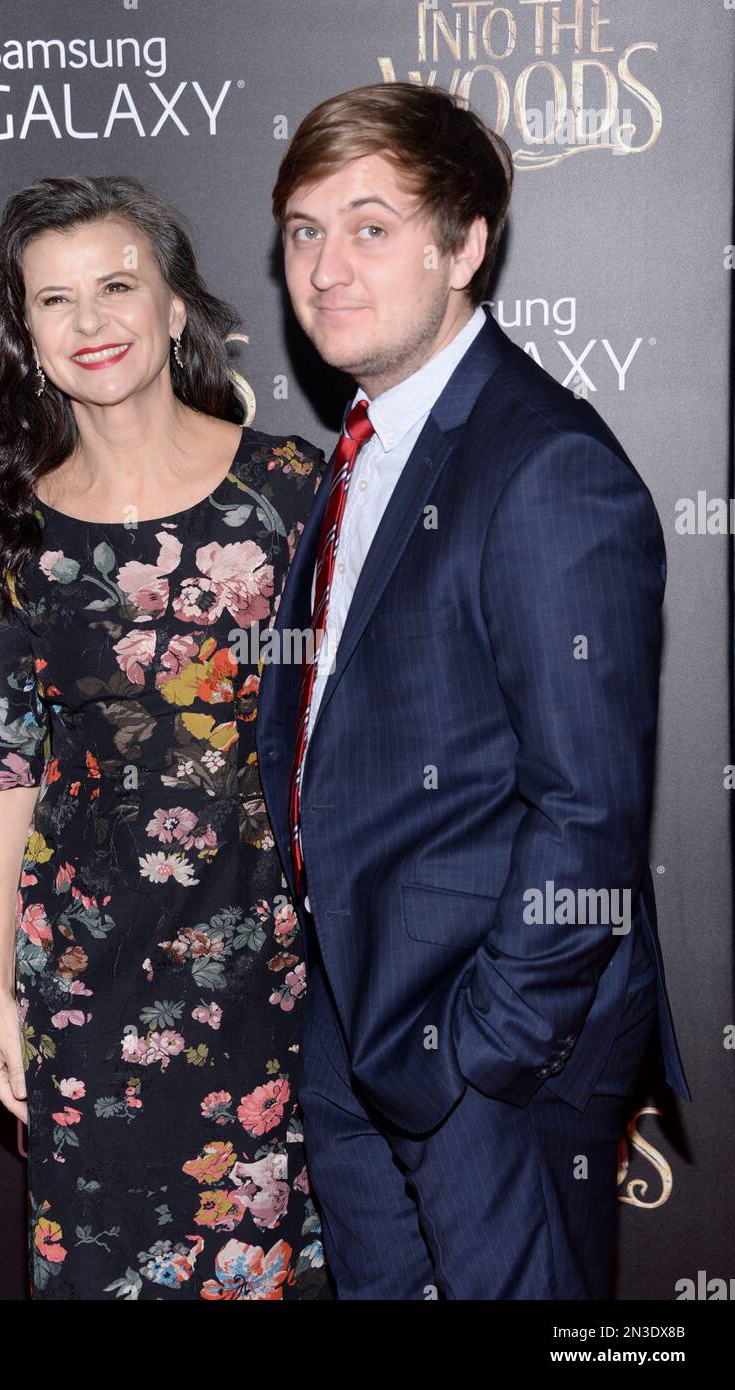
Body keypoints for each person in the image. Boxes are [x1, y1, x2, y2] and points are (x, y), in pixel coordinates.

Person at [255, 83, 692, 1300]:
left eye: (371, 227)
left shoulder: (546, 463)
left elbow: (589, 809)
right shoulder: (366, 447)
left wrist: (490, 1048)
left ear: (465, 247)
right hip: (358, 1015)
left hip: (490, 1050)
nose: (325, 267)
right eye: (303, 230)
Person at [0, 174, 329, 1300]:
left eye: (117, 286)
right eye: (55, 301)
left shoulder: (293, 492)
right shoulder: (13, 535)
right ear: (28, 335)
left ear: (174, 306)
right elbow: (1, 772)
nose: (91, 322)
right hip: (90, 981)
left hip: (287, 970)